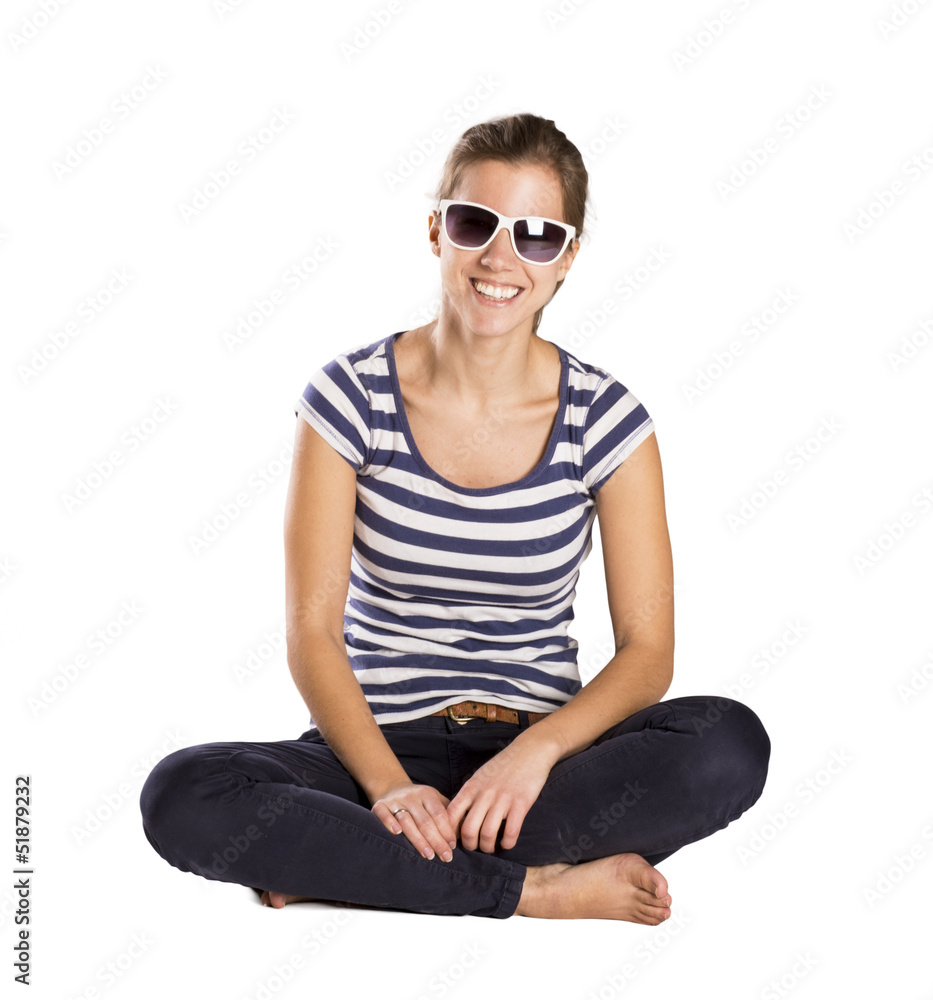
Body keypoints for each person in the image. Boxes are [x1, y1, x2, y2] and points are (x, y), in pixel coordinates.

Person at [139, 112, 771, 923]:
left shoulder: (609, 420)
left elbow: (647, 656)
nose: (500, 258)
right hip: (370, 752)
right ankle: (535, 889)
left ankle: (358, 868)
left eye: (537, 236)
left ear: (567, 259)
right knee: (184, 793)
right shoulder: (348, 398)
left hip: (540, 768)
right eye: (476, 223)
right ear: (437, 230)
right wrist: (390, 786)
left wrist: (534, 753)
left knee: (726, 743)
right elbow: (312, 636)